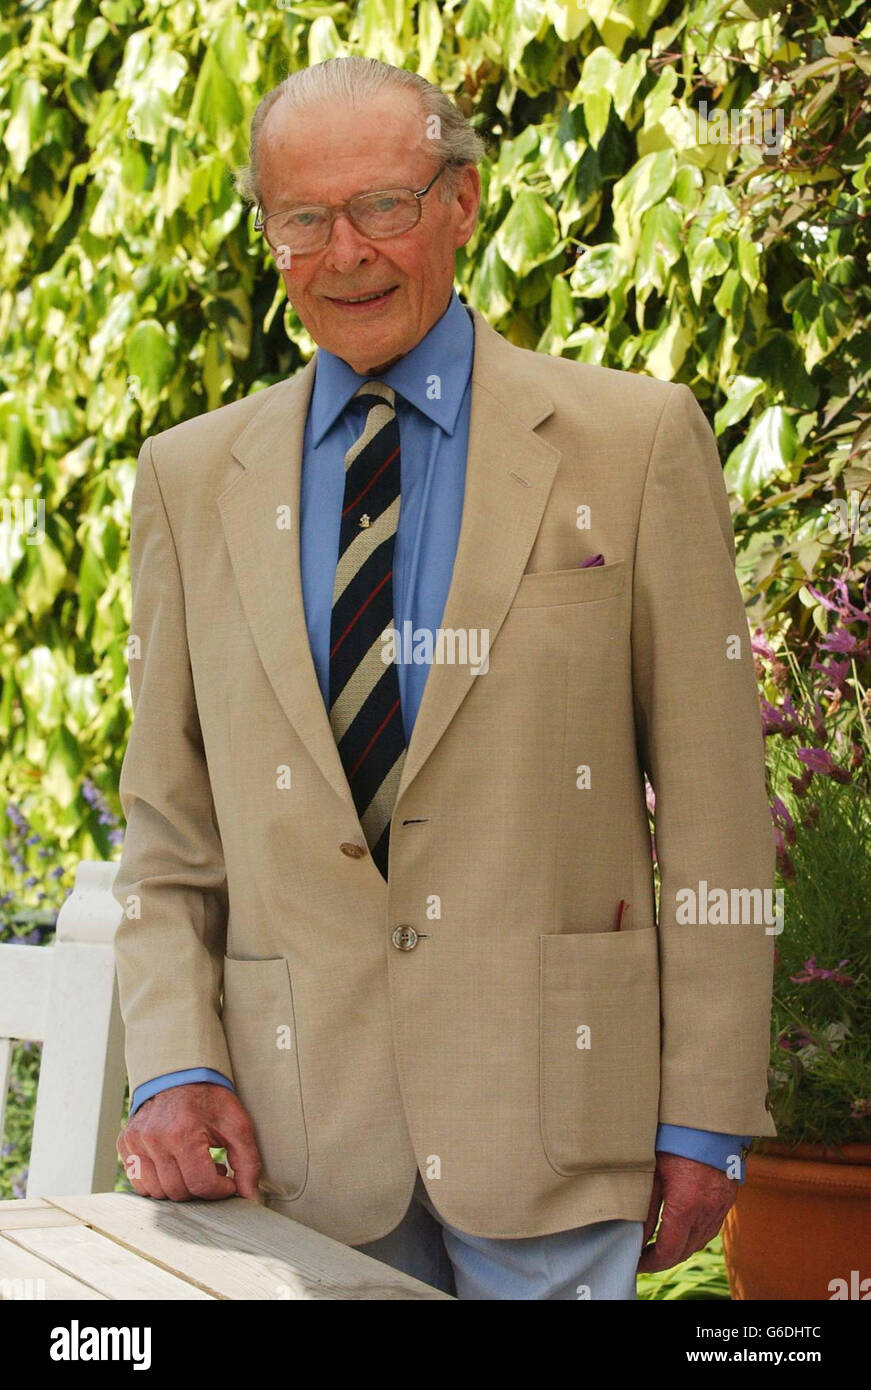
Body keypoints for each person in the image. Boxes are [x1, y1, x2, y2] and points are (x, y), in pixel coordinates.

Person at [111, 55, 777, 1301]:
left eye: (383, 206)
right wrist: (170, 1063)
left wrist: (704, 1111)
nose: (344, 252)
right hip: (293, 1139)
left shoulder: (634, 442)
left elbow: (717, 816)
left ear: (462, 204)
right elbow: (166, 821)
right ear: (270, 233)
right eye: (302, 219)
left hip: (559, 1128)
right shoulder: (189, 478)